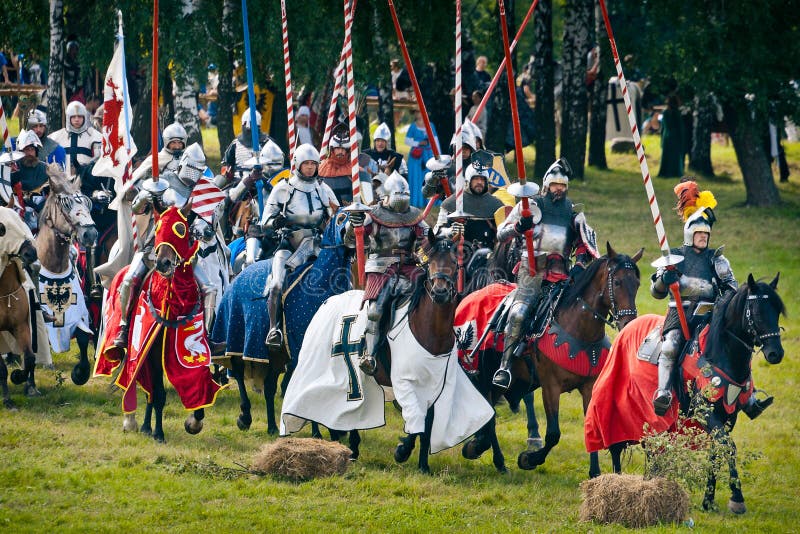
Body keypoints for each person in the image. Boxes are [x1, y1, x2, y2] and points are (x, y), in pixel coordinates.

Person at [650, 179, 770, 419]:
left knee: (737, 344)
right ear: (689, 234)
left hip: (712, 314)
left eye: (706, 234)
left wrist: (722, 299)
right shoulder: (674, 257)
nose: (703, 237)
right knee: (671, 344)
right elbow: (656, 291)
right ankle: (663, 392)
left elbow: (732, 289)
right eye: (699, 234)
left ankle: (749, 396)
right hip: (681, 312)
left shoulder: (718, 260)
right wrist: (665, 278)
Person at [492, 158, 600, 389]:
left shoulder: (572, 213)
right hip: (532, 270)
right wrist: (519, 227)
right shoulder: (530, 206)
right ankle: (505, 365)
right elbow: (501, 233)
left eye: (562, 185)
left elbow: (583, 243)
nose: (559, 188)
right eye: (555, 184)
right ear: (546, 185)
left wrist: (580, 263)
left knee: (582, 312)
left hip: (562, 274)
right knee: (519, 313)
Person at [113, 143, 217, 347]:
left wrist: (202, 228)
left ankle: (206, 336)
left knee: (210, 288)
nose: (193, 173)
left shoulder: (200, 189)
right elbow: (137, 209)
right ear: (183, 164)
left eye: (198, 170)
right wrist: (144, 197)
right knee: (130, 279)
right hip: (155, 244)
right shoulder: (164, 180)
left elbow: (207, 220)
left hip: (184, 251)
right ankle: (124, 327)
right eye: (191, 168)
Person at [345, 172, 429, 375]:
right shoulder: (373, 215)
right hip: (381, 267)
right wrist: (353, 224)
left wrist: (444, 237)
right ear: (387, 195)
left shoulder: (414, 215)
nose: (402, 199)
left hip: (409, 265)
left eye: (405, 195)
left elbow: (427, 239)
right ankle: (369, 355)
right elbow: (350, 241)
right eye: (398, 194)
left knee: (434, 294)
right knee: (376, 310)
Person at [261, 143, 337, 348]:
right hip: (289, 246)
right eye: (306, 163)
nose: (310, 167)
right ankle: (274, 329)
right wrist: (275, 222)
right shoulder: (283, 188)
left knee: (341, 278)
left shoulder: (323, 189)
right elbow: (264, 222)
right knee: (277, 284)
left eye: (313, 163)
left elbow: (336, 219)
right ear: (297, 164)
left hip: (318, 246)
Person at [434, 161, 504, 252]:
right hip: (456, 253)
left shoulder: (496, 204)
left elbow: (504, 234)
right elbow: (437, 231)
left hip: (487, 254)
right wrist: (450, 231)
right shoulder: (450, 203)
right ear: (468, 180)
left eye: (482, 179)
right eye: (476, 179)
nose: (479, 182)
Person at [48, 101, 102, 177]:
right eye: (73, 117)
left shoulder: (95, 136)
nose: (76, 120)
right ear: (68, 117)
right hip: (62, 180)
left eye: (79, 117)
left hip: (86, 179)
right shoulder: (55, 137)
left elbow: (99, 161)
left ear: (84, 117)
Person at [9, 131, 49, 231]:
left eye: (32, 149)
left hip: (41, 211)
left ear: (36, 151)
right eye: (26, 149)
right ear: (20, 151)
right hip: (16, 211)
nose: (29, 153)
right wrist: (11, 174)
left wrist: (41, 207)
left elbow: (52, 194)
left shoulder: (45, 169)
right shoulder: (12, 168)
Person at [221, 108, 272, 183]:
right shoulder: (235, 144)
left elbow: (274, 166)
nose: (248, 128)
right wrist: (227, 174)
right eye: (245, 124)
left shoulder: (268, 143)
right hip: (238, 182)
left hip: (261, 182)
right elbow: (227, 164)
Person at [404, 109, 439, 208]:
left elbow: (435, 140)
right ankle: (416, 201)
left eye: (419, 111)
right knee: (416, 178)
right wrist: (418, 143)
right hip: (416, 156)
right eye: (416, 112)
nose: (418, 114)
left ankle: (429, 201)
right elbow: (406, 141)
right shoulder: (413, 126)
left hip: (428, 155)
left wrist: (438, 155)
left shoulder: (430, 125)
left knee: (429, 177)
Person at [318, 124, 353, 204]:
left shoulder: (355, 168)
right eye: (337, 148)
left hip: (349, 209)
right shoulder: (320, 167)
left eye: (343, 149)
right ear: (332, 149)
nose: (340, 151)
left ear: (347, 151)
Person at [658, 95, 686, 178]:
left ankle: (665, 172)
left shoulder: (665, 112)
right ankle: (674, 172)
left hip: (666, 136)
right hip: (675, 137)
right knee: (675, 156)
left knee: (666, 156)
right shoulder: (677, 113)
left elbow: (663, 127)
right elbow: (680, 128)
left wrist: (662, 139)